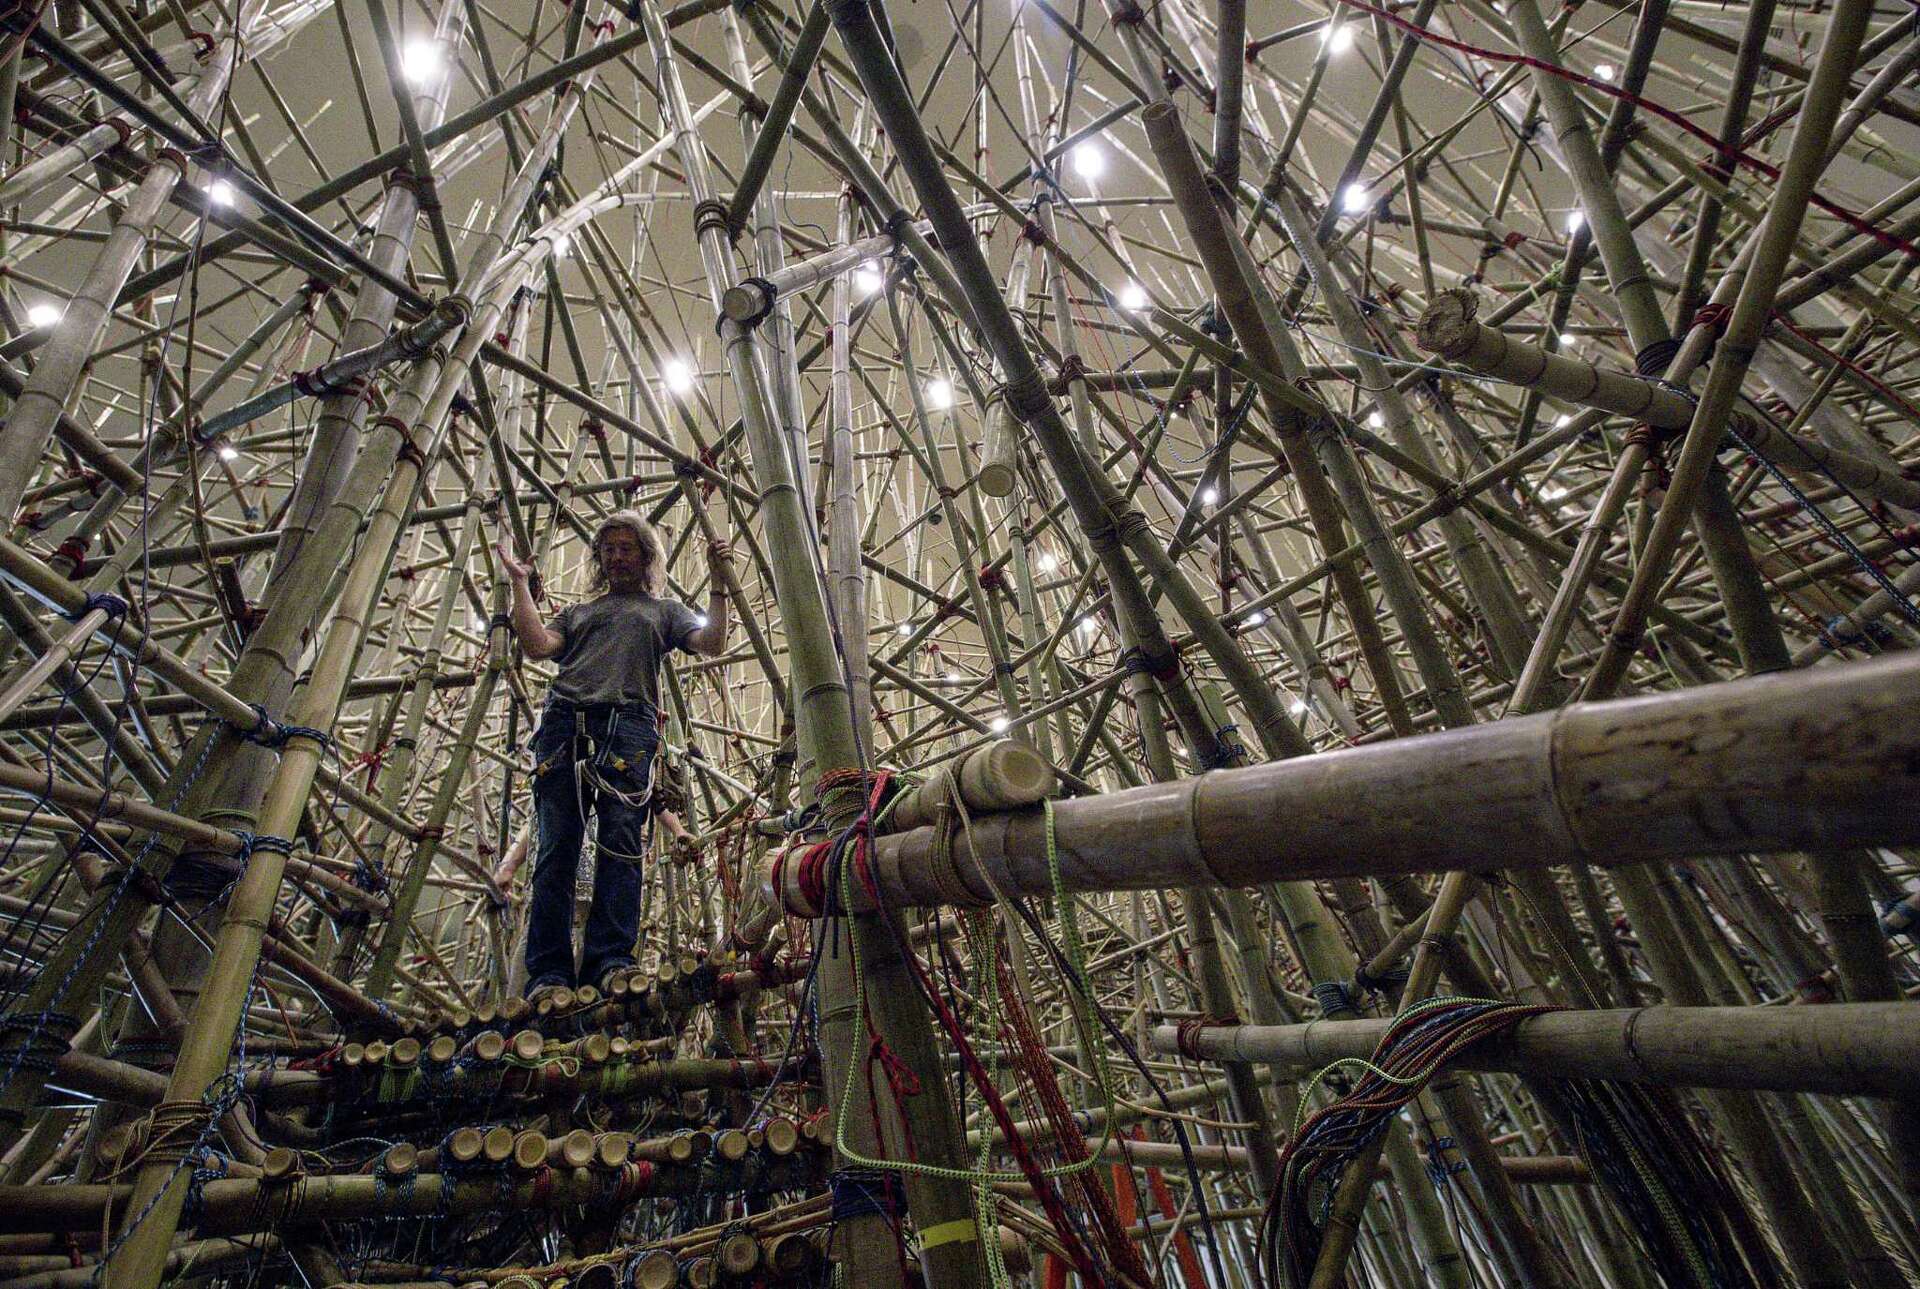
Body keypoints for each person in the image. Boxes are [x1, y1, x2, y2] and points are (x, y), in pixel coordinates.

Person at [496, 510, 731, 999]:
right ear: (599, 559)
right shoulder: (579, 613)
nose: (616, 557)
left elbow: (711, 643)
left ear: (646, 556)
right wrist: (519, 584)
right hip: (565, 725)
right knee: (556, 851)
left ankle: (611, 962)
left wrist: (719, 583)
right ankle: (549, 974)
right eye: (608, 549)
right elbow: (538, 645)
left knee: (621, 847)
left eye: (627, 548)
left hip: (627, 728)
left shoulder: (663, 611)